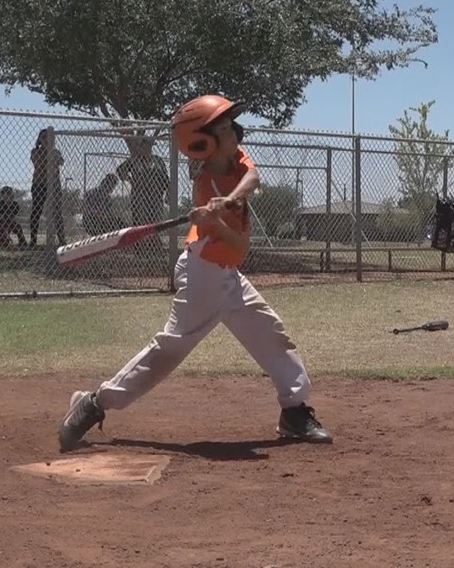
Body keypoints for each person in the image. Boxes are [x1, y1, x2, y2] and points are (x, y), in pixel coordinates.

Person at [57, 94, 332, 452]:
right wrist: (214, 217)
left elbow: (253, 175)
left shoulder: (234, 159)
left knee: (271, 334)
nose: (234, 131)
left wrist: (229, 201)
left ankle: (294, 412)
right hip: (205, 275)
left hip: (226, 275)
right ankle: (95, 402)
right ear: (204, 142)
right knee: (170, 349)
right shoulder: (205, 185)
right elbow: (237, 244)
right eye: (224, 128)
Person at [115, 130, 169, 261]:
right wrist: (130, 180)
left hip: (155, 196)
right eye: (144, 146)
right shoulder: (134, 161)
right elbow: (120, 170)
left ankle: (154, 250)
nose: (147, 149)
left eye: (149, 146)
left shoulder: (158, 161)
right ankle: (140, 251)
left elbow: (165, 179)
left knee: (154, 222)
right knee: (140, 222)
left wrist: (167, 191)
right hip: (139, 197)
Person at [28, 129, 66, 246]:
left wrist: (50, 159)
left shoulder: (55, 152)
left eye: (49, 138)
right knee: (36, 210)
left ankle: (62, 240)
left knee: (57, 212)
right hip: (39, 184)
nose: (46, 140)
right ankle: (33, 239)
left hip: (54, 184)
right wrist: (49, 160)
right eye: (44, 138)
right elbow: (38, 163)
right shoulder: (35, 151)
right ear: (40, 139)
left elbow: (60, 161)